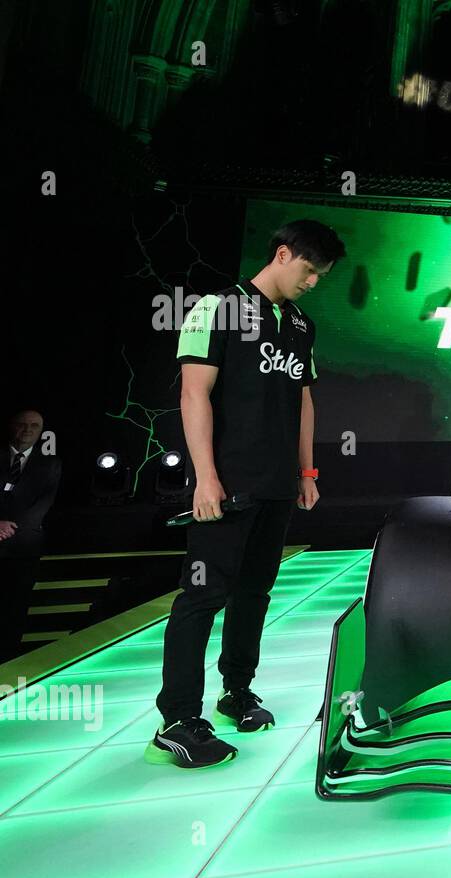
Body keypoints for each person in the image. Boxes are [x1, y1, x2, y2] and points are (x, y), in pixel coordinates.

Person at [153, 219, 345, 768]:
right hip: (226, 483)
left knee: (254, 594)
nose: (313, 282)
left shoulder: (302, 325)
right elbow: (194, 393)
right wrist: (205, 475)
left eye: (321, 276)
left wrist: (307, 472)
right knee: (203, 597)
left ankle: (237, 689)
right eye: (309, 271)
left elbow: (304, 401)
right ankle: (179, 718)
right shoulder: (216, 308)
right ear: (282, 254)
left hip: (279, 483)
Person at [0, 409, 62, 659]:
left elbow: (43, 505)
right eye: (21, 424)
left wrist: (8, 527)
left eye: (34, 426)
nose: (27, 430)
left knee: (15, 609)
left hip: (23, 548)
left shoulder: (51, 464)